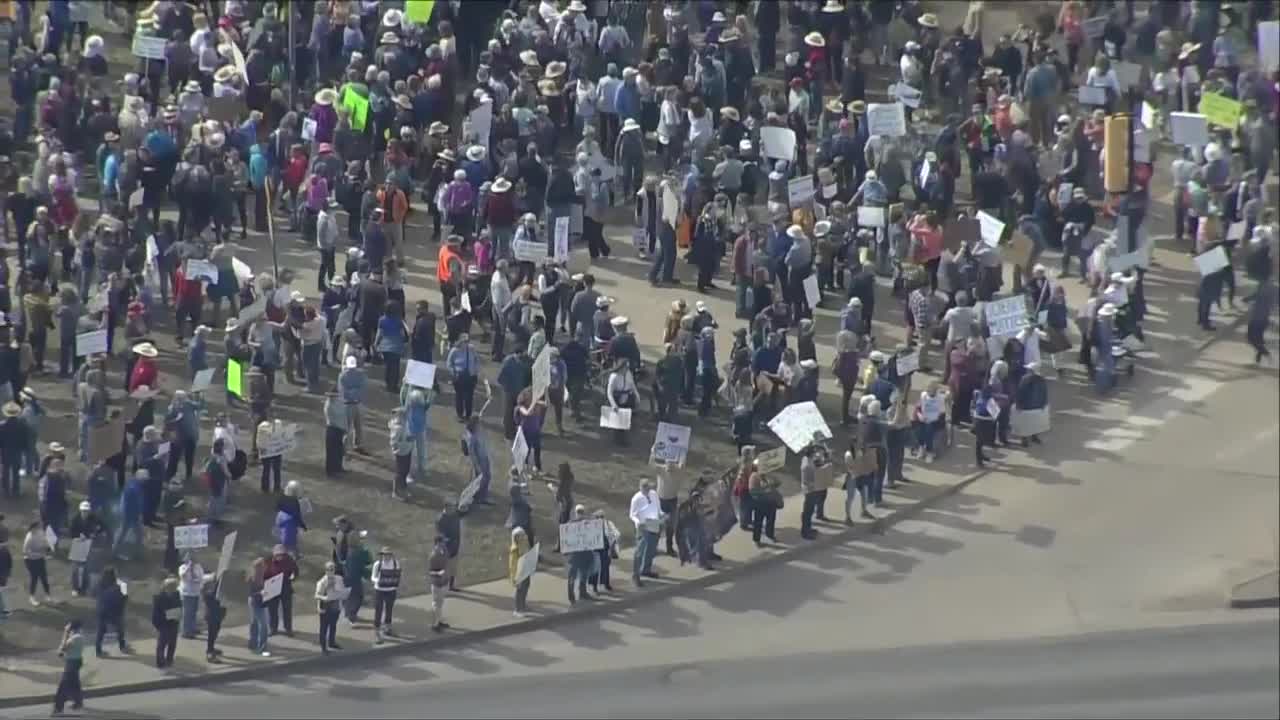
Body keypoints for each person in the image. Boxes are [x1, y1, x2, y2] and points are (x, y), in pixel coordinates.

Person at [629, 477, 662, 586]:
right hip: (643, 526)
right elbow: (632, 515)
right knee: (640, 551)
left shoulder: (654, 494)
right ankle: (635, 575)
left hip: (654, 523)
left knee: (651, 549)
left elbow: (657, 506)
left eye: (648, 487)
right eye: (644, 487)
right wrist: (638, 522)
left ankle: (646, 570)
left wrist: (661, 514)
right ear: (640, 487)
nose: (647, 489)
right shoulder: (636, 498)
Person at [94, 566, 129, 658]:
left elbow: (94, 594)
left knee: (100, 631)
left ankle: (98, 651)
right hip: (116, 610)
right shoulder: (121, 584)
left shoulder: (100, 583)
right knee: (120, 629)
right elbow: (125, 597)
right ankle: (122, 646)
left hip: (102, 609)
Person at [53, 619, 86, 715]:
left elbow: (62, 649)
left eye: (68, 627)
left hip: (72, 664)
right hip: (75, 662)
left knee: (63, 686)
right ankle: (78, 703)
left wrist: (65, 633)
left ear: (72, 628)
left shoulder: (75, 638)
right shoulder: (78, 637)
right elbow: (63, 652)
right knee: (75, 683)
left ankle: (58, 709)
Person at [265, 544, 298, 637]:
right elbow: (265, 574)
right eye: (277, 555)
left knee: (287, 609)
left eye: (281, 554)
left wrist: (293, 577)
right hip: (273, 588)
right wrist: (267, 583)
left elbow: (295, 571)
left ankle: (288, 629)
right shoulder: (268, 561)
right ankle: (273, 628)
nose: (279, 556)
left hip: (285, 588)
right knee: (272, 610)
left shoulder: (289, 560)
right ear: (274, 554)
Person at [371, 546, 402, 643]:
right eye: (384, 555)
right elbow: (373, 577)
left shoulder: (396, 563)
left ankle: (388, 629)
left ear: (391, 555)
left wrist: (395, 581)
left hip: (391, 589)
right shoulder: (378, 564)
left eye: (388, 554)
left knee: (389, 609)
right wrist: (378, 580)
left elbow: (398, 574)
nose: (386, 556)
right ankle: (377, 632)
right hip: (379, 590)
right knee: (379, 610)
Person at [150, 576, 181, 668]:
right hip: (163, 623)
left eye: (175, 587)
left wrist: (177, 616)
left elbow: (179, 605)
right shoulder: (159, 597)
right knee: (162, 644)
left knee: (172, 643)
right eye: (172, 587)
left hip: (174, 622)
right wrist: (158, 624)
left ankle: (169, 659)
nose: (174, 589)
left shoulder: (176, 594)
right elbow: (156, 613)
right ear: (166, 587)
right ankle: (160, 662)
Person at [22, 518, 53, 606]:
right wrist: (38, 553)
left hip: (40, 558)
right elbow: (25, 551)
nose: (39, 528)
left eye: (39, 527)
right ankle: (31, 597)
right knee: (34, 577)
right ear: (32, 528)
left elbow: (45, 541)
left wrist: (47, 547)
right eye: (37, 527)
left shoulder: (40, 532)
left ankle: (48, 595)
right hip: (30, 560)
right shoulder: (29, 537)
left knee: (44, 577)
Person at [246, 558, 271, 657]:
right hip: (255, 603)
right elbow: (249, 593)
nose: (265, 567)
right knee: (263, 624)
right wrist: (260, 593)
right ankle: (262, 646)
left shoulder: (265, 577)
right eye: (262, 566)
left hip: (263, 602)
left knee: (254, 622)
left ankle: (252, 642)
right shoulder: (251, 579)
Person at [178, 552, 204, 639]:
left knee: (193, 612)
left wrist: (194, 573)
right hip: (186, 593)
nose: (191, 559)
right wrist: (189, 567)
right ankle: (185, 632)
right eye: (188, 558)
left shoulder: (198, 567)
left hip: (196, 592)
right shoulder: (182, 567)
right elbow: (182, 576)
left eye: (192, 558)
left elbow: (200, 578)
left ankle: (192, 628)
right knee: (187, 613)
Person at [427, 535, 451, 632]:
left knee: (440, 604)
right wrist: (438, 573)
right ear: (437, 543)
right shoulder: (433, 556)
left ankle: (440, 621)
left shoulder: (444, 551)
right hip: (437, 583)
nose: (444, 543)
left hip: (444, 581)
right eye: (442, 542)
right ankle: (435, 624)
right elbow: (430, 572)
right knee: (436, 604)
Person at [509, 526, 533, 617]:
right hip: (519, 574)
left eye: (523, 535)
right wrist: (514, 577)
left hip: (526, 572)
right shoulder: (515, 550)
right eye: (519, 536)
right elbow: (513, 565)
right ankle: (517, 609)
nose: (522, 537)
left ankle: (523, 604)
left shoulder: (525, 546)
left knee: (525, 588)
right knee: (520, 591)